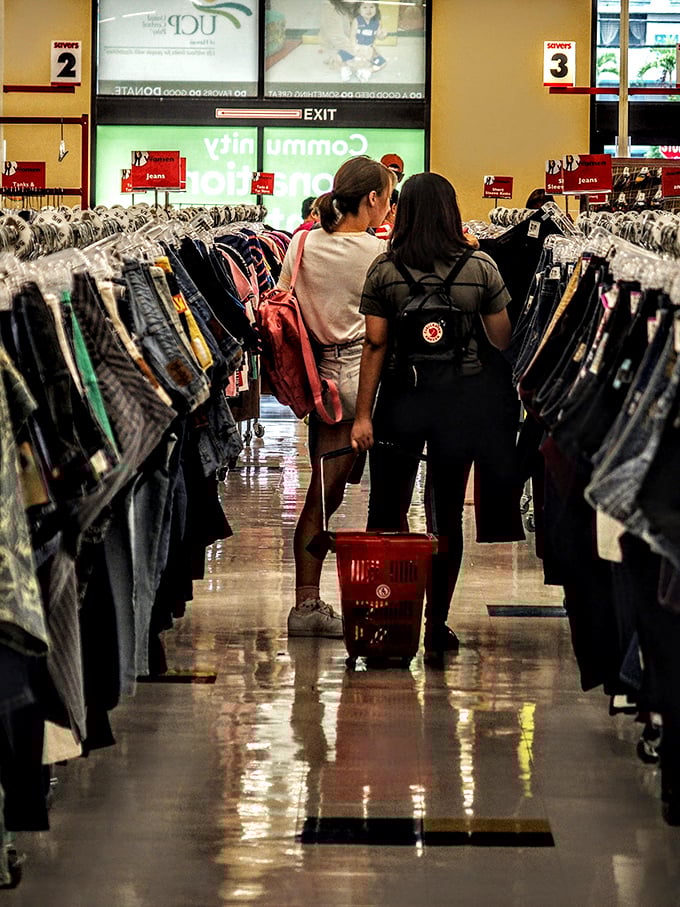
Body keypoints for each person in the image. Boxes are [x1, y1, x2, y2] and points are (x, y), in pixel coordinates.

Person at [350, 172, 517, 657]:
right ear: (450, 210)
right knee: (446, 515)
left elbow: (375, 344)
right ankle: (436, 625)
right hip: (459, 406)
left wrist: (363, 416)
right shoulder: (480, 267)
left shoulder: (384, 270)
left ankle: (387, 620)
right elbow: (502, 340)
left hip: (401, 402)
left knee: (387, 512)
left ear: (405, 214)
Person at [281, 155, 394, 637]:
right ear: (370, 198)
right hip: (362, 382)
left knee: (322, 493)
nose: (388, 210)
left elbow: (287, 303)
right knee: (338, 499)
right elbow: (379, 334)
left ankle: (310, 600)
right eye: (387, 200)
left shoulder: (301, 243)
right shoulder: (375, 255)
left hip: (318, 382)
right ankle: (310, 606)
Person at [319, 0, 361, 82]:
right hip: (337, 48)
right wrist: (360, 53)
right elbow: (337, 38)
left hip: (351, 45)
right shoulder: (330, 7)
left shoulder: (356, 5)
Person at [353, 1, 387, 80]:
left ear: (376, 8)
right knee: (350, 60)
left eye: (372, 7)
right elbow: (352, 35)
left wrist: (383, 35)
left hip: (369, 49)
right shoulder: (357, 21)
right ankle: (357, 69)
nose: (369, 10)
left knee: (382, 63)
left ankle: (367, 71)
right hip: (358, 48)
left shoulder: (377, 22)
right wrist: (354, 47)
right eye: (365, 7)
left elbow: (379, 36)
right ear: (359, 10)